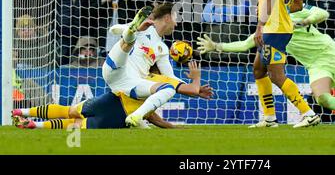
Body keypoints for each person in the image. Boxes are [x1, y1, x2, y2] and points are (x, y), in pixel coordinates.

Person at [198, 5, 335, 125]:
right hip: (314, 64)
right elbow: (246, 44)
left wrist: (305, 21)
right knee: (322, 98)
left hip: (331, 52)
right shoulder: (268, 31)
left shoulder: (295, 13)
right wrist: (216, 46)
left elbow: (322, 13)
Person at [12, 61, 213, 129]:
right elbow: (152, 116)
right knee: (74, 125)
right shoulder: (164, 82)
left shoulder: (138, 74)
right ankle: (34, 124)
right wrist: (195, 79)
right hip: (117, 116)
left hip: (110, 98)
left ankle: (21, 111)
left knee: (69, 110)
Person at [251, 0, 319, 128]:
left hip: (273, 28)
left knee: (276, 74)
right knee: (258, 69)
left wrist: (260, 25)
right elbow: (298, 4)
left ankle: (308, 113)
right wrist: (283, 7)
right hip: (283, 26)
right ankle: (269, 118)